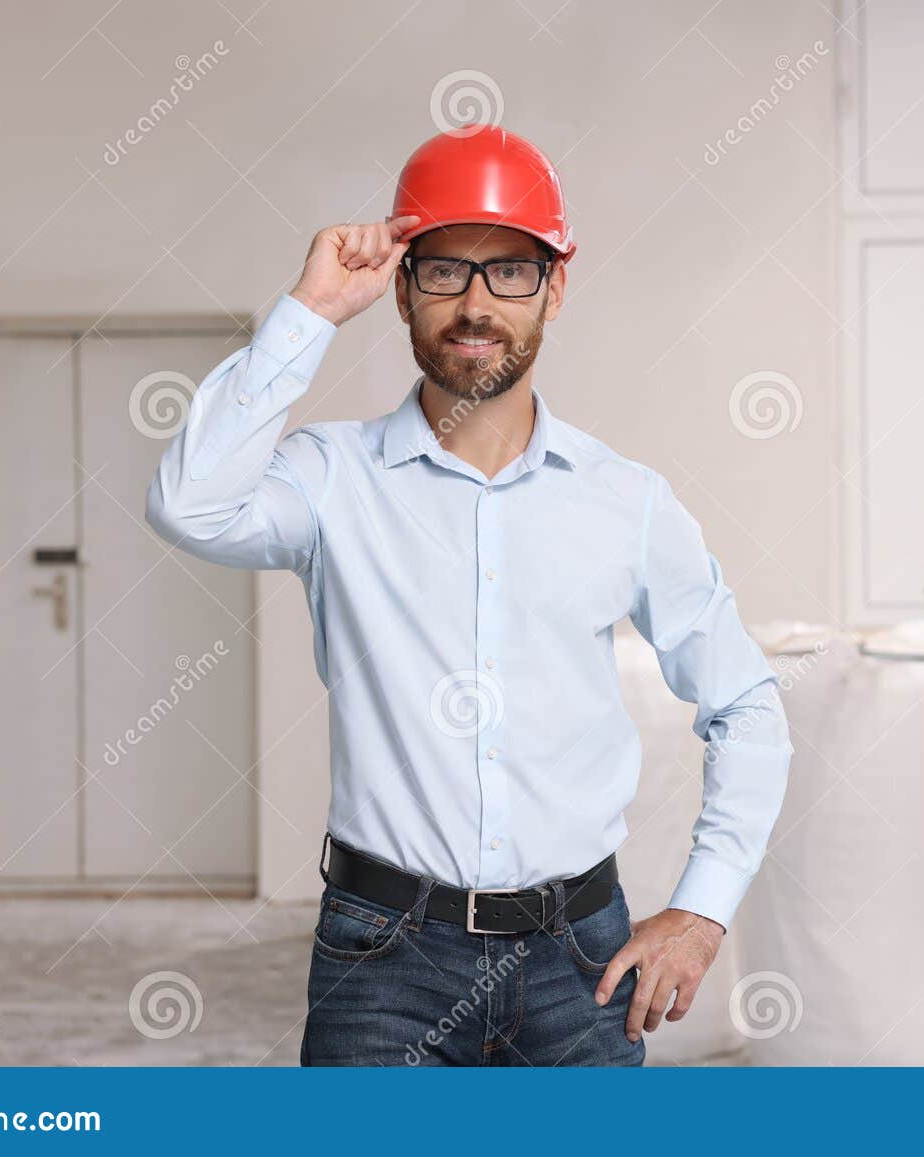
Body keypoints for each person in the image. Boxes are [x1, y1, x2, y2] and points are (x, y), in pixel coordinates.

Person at [146, 125, 792, 1066]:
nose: (476, 304)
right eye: (446, 271)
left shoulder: (627, 501)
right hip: (384, 963)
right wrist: (311, 308)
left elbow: (746, 702)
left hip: (583, 962)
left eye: (511, 273)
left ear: (555, 289)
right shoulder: (331, 480)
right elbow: (189, 504)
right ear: (403, 288)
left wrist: (702, 908)